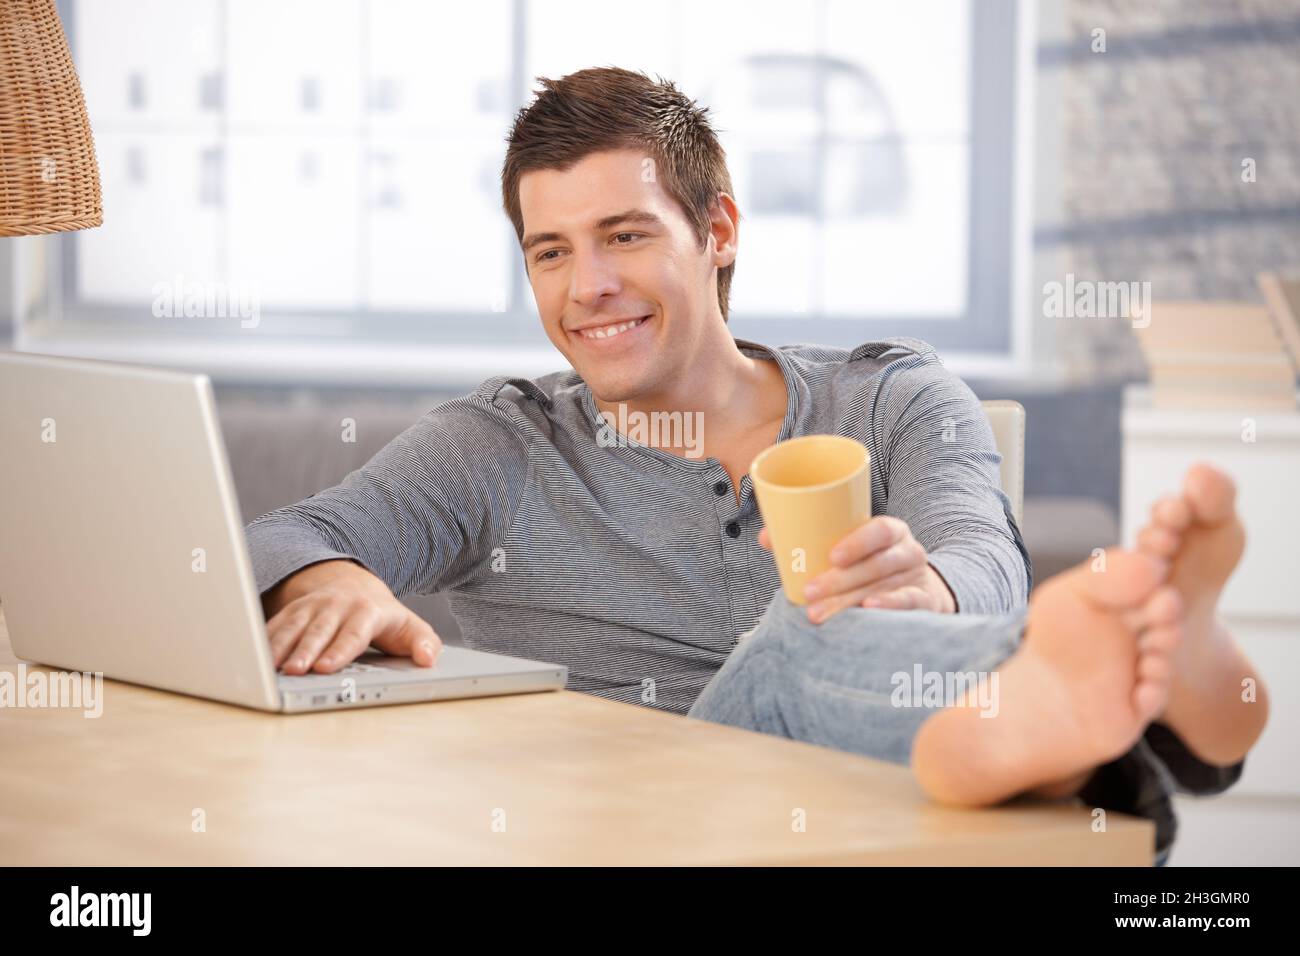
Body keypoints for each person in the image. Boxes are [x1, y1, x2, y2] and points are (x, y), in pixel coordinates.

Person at [244, 68, 1263, 862]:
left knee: (832, 632)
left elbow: (982, 554)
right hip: (624, 841)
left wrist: (933, 588)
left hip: (871, 825)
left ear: (717, 231)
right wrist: (328, 572)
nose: (587, 285)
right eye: (550, 251)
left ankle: (1128, 686)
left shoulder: (894, 398)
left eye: (624, 235)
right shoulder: (496, 446)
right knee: (800, 640)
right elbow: (273, 535)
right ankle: (1133, 701)